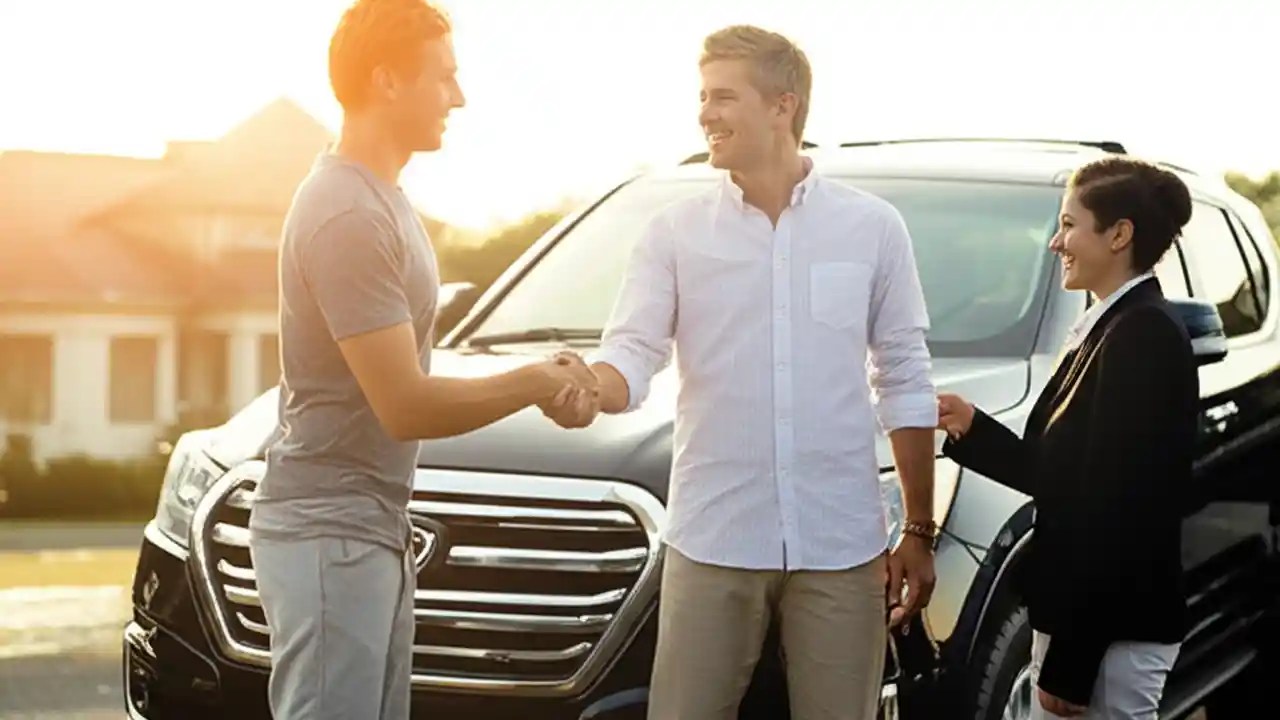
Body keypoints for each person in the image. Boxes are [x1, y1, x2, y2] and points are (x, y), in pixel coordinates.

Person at [544, 25, 939, 720]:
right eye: (702, 97)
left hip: (840, 543)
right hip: (714, 537)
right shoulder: (674, 231)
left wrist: (917, 528)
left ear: (783, 106)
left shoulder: (873, 228)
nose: (705, 114)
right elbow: (632, 354)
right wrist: (590, 390)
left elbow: (905, 376)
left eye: (723, 96)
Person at [245, 2, 598, 718]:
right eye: (444, 77)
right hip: (327, 534)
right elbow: (403, 404)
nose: (459, 98)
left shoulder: (382, 202)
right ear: (386, 82)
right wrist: (533, 382)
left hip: (365, 528)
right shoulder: (347, 214)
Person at [937, 157, 1198, 718]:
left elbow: (1123, 513)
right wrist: (973, 428)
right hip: (1089, 623)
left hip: (1108, 634)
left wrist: (1072, 663)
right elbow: (1069, 479)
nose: (1057, 242)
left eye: (1068, 224)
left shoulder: (1141, 335)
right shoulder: (1112, 325)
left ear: (1119, 235)